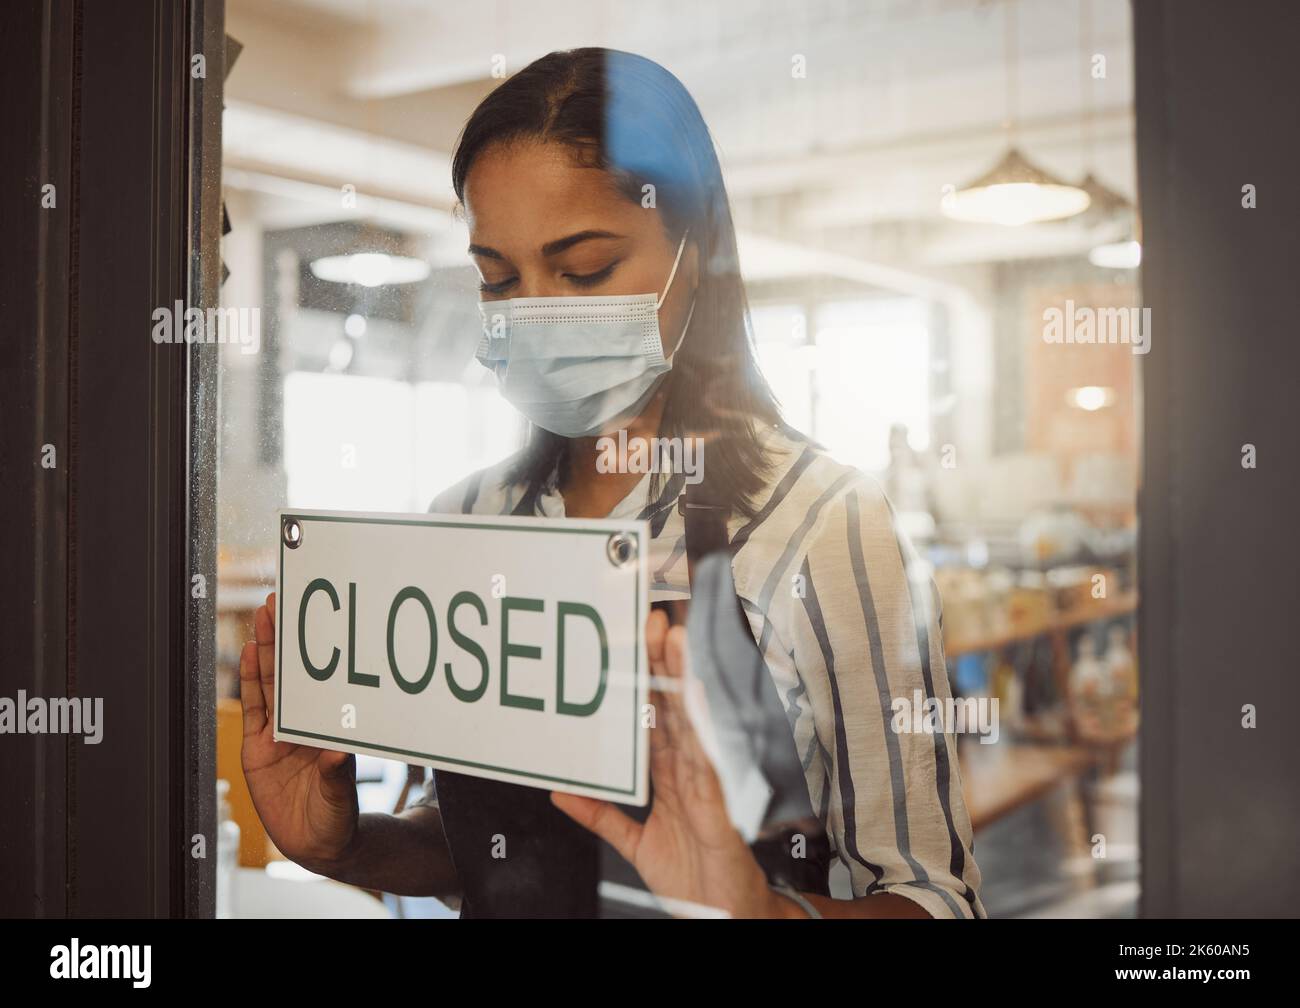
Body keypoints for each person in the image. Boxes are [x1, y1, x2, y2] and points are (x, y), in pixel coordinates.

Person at [239, 47, 984, 919]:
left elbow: (933, 897)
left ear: (693, 256)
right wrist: (350, 843)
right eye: (500, 279)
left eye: (586, 270)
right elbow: (487, 843)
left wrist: (762, 912)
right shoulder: (466, 519)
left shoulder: (820, 522)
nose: (538, 312)